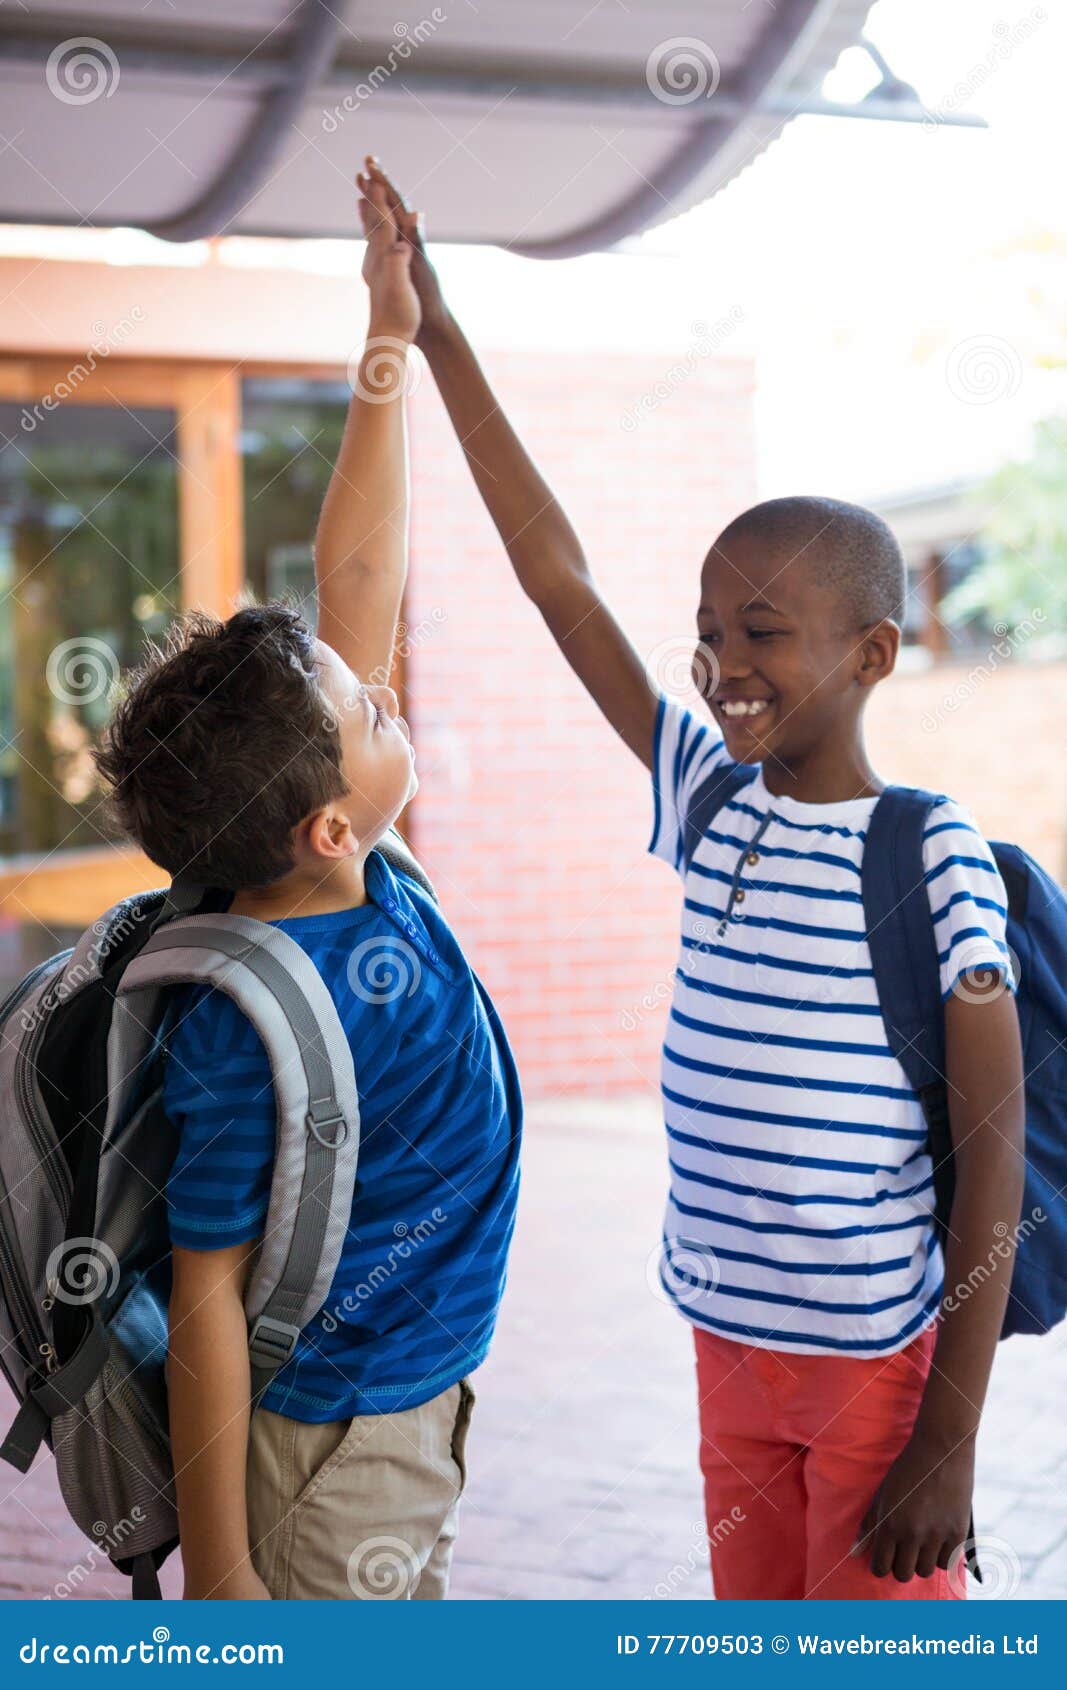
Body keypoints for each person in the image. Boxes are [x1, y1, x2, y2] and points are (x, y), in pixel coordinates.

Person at [360, 159, 1026, 1601]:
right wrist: (440, 332)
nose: (723, 663)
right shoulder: (707, 795)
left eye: (767, 631)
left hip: (877, 1372)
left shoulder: (934, 853)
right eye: (711, 629)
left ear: (870, 654)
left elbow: (993, 1168)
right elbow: (558, 577)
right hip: (727, 1345)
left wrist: (951, 1446)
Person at [92, 165, 522, 1601]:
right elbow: (206, 1294)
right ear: (328, 823)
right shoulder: (257, 1016)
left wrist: (385, 337)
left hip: (407, 1403)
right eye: (369, 707)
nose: (386, 685)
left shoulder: (342, 869)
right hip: (322, 1454)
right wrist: (223, 1577)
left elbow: (356, 568)